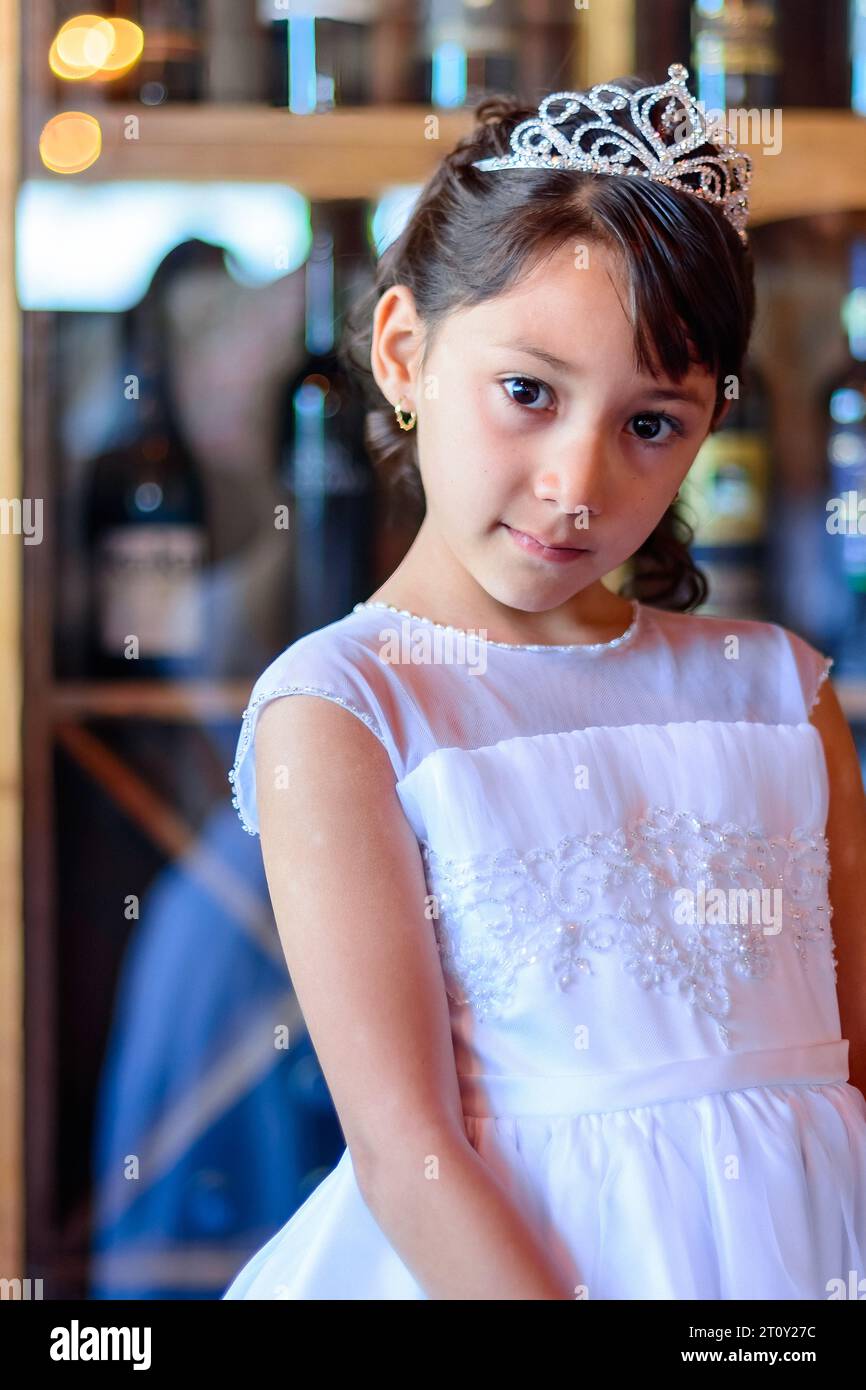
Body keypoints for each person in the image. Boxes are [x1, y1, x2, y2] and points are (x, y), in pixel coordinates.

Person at [222, 65, 866, 1300]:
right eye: (528, 393)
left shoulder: (777, 695)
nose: (578, 482)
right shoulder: (346, 708)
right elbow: (406, 1151)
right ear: (403, 352)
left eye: (649, 423)